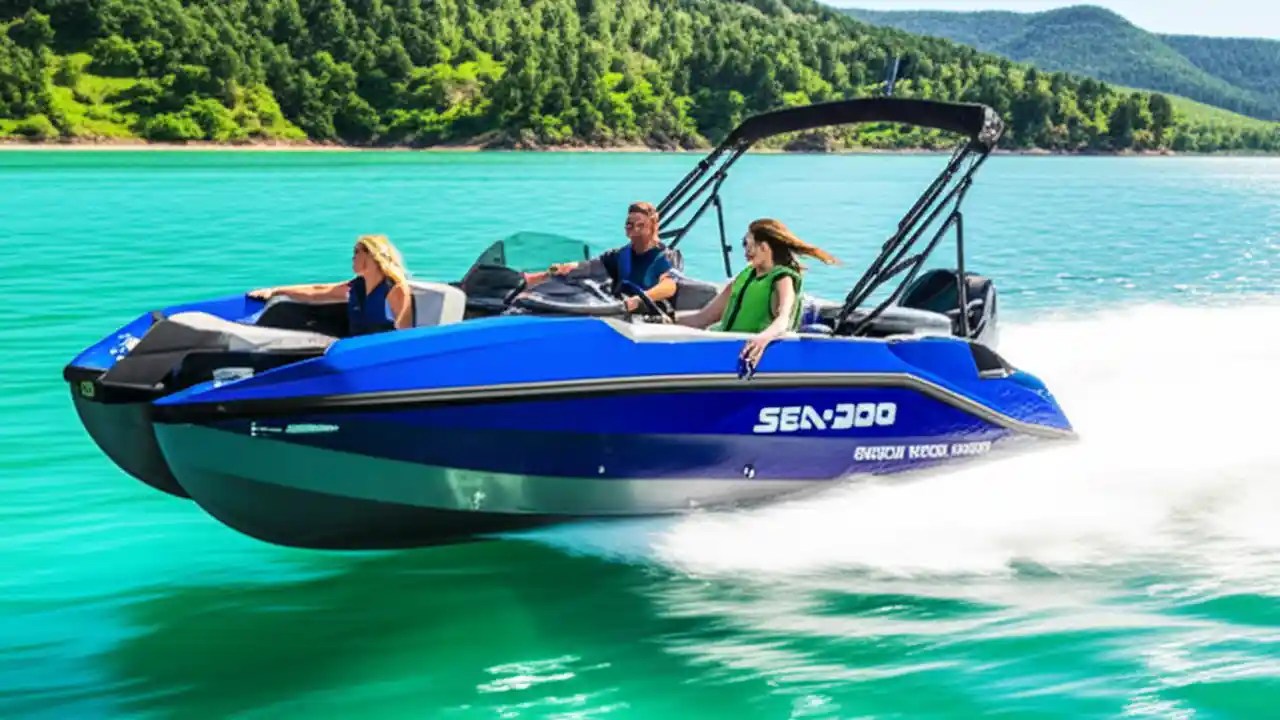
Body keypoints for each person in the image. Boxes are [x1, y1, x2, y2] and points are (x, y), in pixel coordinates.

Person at [676, 218, 838, 366]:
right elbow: (702, 318)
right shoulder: (743, 278)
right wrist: (662, 319)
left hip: (748, 353)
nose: (745, 251)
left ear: (764, 247)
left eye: (747, 244)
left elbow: (784, 319)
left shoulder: (782, 279)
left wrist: (763, 339)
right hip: (723, 347)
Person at [524, 201, 680, 314]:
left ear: (653, 227)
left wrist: (638, 300)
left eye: (640, 225)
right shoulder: (619, 255)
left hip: (652, 318)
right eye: (629, 224)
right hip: (619, 312)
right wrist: (555, 270)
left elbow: (669, 286)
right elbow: (589, 267)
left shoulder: (665, 256)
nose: (634, 229)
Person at [247, 234, 413, 335]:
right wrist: (275, 291)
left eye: (357, 252)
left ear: (372, 256)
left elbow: (406, 334)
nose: (352, 257)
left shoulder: (395, 289)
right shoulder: (356, 286)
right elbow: (317, 291)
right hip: (351, 348)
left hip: (375, 354)